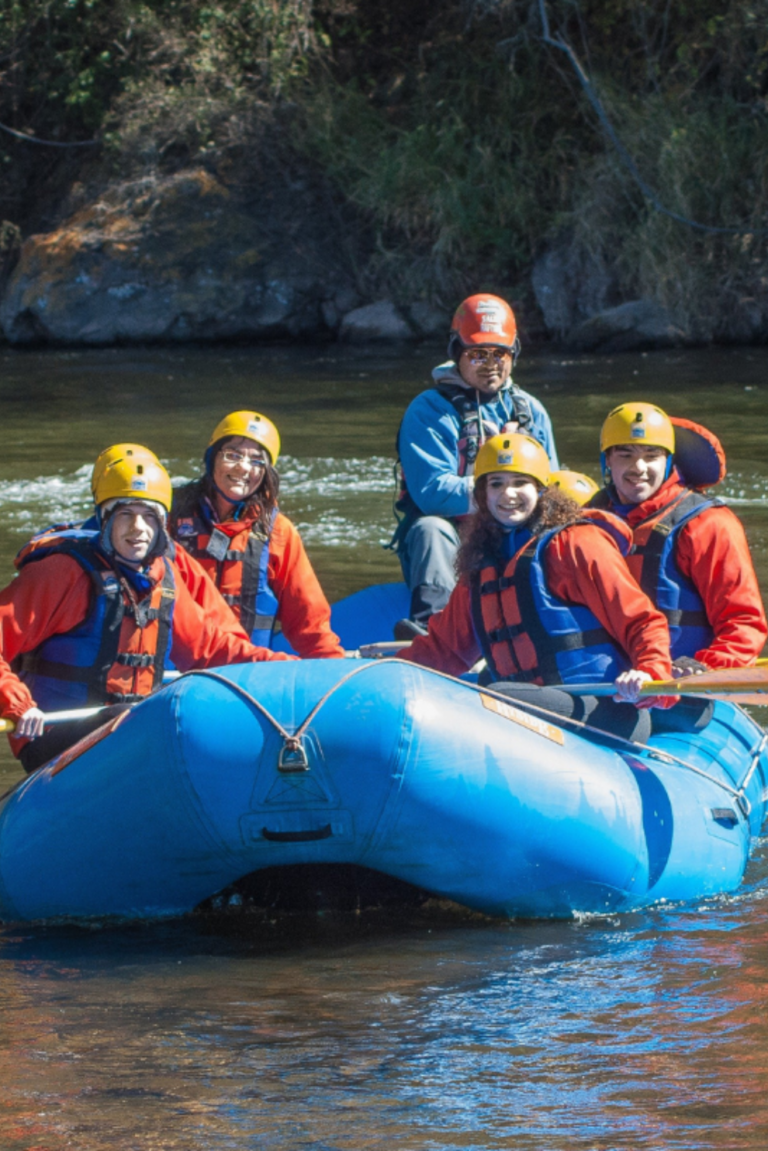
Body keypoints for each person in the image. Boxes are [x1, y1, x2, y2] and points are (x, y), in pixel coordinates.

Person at [0, 445, 294, 773]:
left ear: (162, 523)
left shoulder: (163, 577)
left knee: (168, 720)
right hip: (53, 736)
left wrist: (292, 670)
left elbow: (213, 650)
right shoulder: (61, 573)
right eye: (125, 514)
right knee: (136, 721)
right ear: (105, 519)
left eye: (149, 516)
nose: (138, 527)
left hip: (127, 731)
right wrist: (17, 703)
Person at [401, 433, 674, 738]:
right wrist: (386, 673)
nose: (508, 494)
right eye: (496, 484)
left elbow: (641, 621)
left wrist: (650, 671)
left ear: (541, 490)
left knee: (494, 695)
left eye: (520, 482)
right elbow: (444, 649)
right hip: (529, 706)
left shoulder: (575, 544)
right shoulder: (481, 563)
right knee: (488, 683)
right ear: (482, 494)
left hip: (605, 709)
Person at [390, 294, 558, 638]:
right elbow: (433, 494)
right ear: (457, 351)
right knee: (429, 529)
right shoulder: (429, 410)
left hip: (517, 530)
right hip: (453, 537)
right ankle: (434, 630)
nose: (490, 364)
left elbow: (553, 487)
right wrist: (498, 484)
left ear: (513, 354)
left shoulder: (532, 412)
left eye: (500, 354)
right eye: (478, 354)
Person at [590, 402, 767, 672]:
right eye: (625, 455)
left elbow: (743, 623)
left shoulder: (708, 524)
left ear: (669, 461)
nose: (639, 467)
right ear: (607, 461)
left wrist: (703, 671)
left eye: (652, 456)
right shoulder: (587, 522)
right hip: (609, 681)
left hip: (684, 680)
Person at [170, 411, 344, 659]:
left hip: (246, 669)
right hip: (174, 670)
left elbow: (310, 622)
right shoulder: (167, 518)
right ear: (212, 458)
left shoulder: (278, 532)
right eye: (232, 455)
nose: (243, 467)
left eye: (256, 461)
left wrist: (332, 666)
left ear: (266, 473)